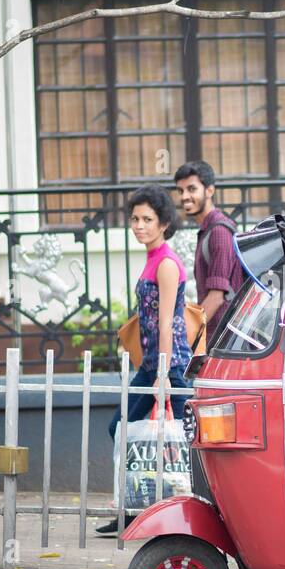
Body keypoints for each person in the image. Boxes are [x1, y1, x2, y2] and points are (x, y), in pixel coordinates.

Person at [99, 185, 193, 535]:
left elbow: (168, 322)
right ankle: (135, 508)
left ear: (164, 223)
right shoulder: (153, 258)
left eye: (147, 220)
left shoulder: (167, 263)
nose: (139, 226)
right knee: (126, 430)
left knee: (180, 443)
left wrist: (165, 374)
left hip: (170, 366)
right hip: (153, 363)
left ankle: (171, 513)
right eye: (135, 219)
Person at [174, 160, 243, 345]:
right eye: (180, 191)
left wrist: (186, 338)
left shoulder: (219, 232)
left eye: (191, 189)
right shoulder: (207, 230)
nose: (184, 196)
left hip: (223, 341)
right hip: (216, 337)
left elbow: (217, 297)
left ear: (210, 191)